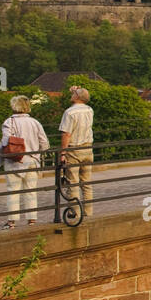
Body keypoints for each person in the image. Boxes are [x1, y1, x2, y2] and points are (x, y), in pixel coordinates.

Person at [0, 95, 50, 229]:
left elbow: (5, 141)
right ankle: (32, 220)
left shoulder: (9, 122)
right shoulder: (35, 122)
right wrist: (37, 152)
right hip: (32, 160)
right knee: (31, 190)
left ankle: (12, 222)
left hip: (14, 161)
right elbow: (45, 143)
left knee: (13, 191)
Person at [58, 85, 95, 217]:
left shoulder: (69, 113)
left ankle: (75, 212)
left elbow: (66, 134)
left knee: (72, 182)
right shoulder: (89, 110)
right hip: (87, 148)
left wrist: (62, 153)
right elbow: (81, 98)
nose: (71, 95)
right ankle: (88, 211)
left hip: (74, 150)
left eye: (74, 94)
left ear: (77, 97)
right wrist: (76, 91)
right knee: (86, 182)